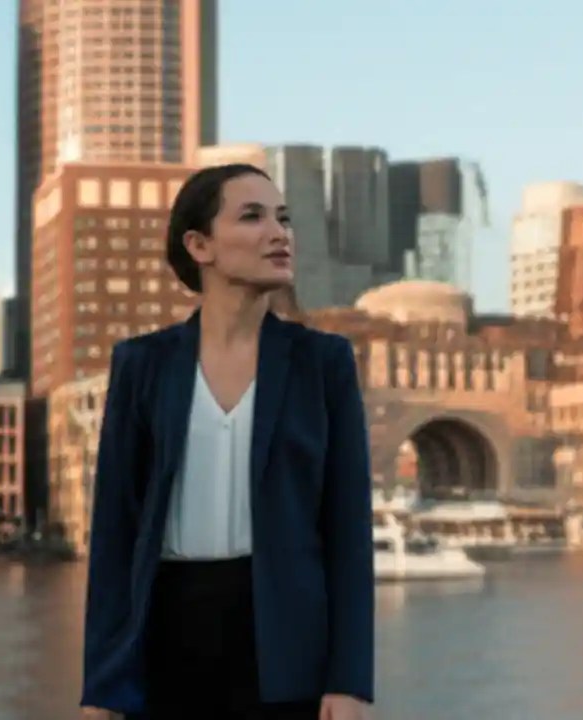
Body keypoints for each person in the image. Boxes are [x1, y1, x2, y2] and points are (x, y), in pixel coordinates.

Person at [79, 163, 375, 720]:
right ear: (200, 245)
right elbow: (115, 536)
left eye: (283, 218)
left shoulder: (324, 364)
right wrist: (101, 687)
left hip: (288, 653)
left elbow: (349, 535)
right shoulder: (141, 365)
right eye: (252, 216)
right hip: (167, 642)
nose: (278, 232)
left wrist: (350, 680)